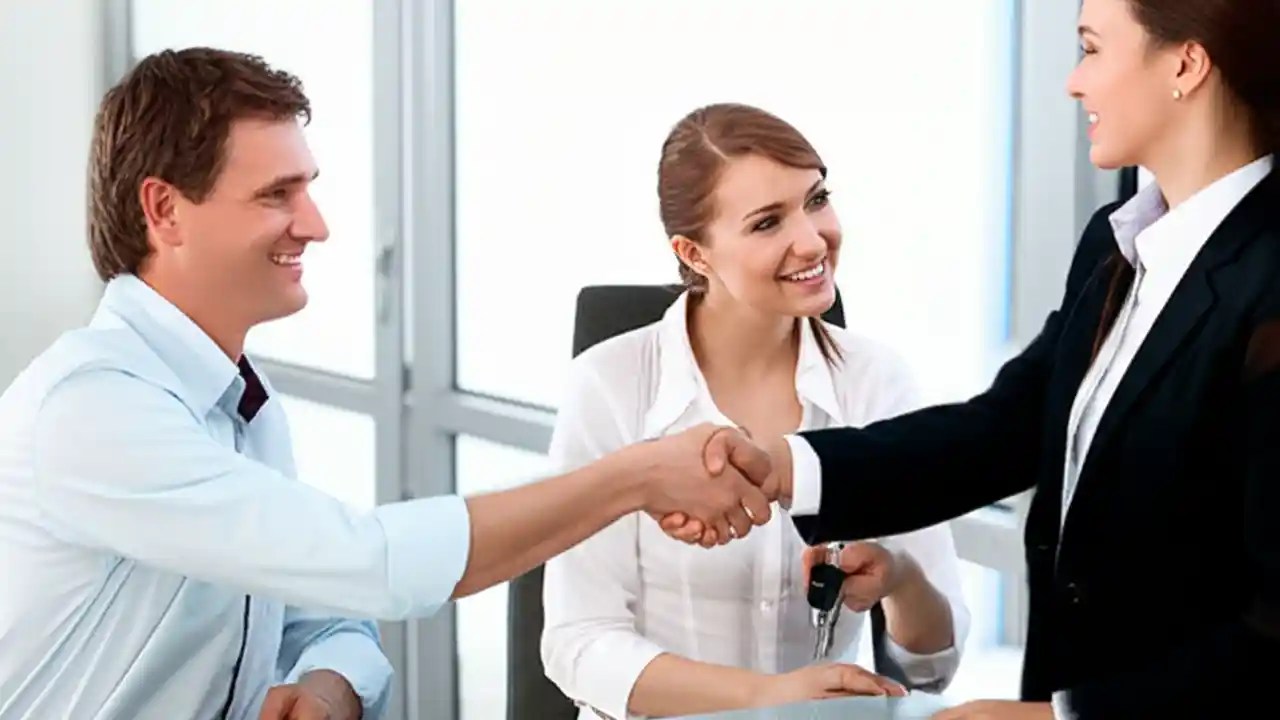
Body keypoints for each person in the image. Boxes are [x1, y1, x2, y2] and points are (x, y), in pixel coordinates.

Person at [0, 48, 777, 720]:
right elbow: (369, 564)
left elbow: (327, 616)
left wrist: (330, 683)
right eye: (277, 194)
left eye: (306, 186)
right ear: (164, 211)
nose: (316, 223)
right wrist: (638, 475)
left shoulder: (238, 403)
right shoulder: (94, 407)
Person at [661, 1, 1280, 718]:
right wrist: (782, 468)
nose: (1074, 82)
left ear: (1185, 63)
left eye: (1092, 49)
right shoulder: (1119, 247)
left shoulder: (1267, 284)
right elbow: (1005, 428)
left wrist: (1061, 718)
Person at [540, 103, 969, 720]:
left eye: (816, 199)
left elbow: (931, 668)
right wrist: (768, 699)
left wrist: (900, 578)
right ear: (695, 253)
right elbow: (578, 643)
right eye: (768, 223)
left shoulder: (877, 383)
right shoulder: (609, 387)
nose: (813, 238)